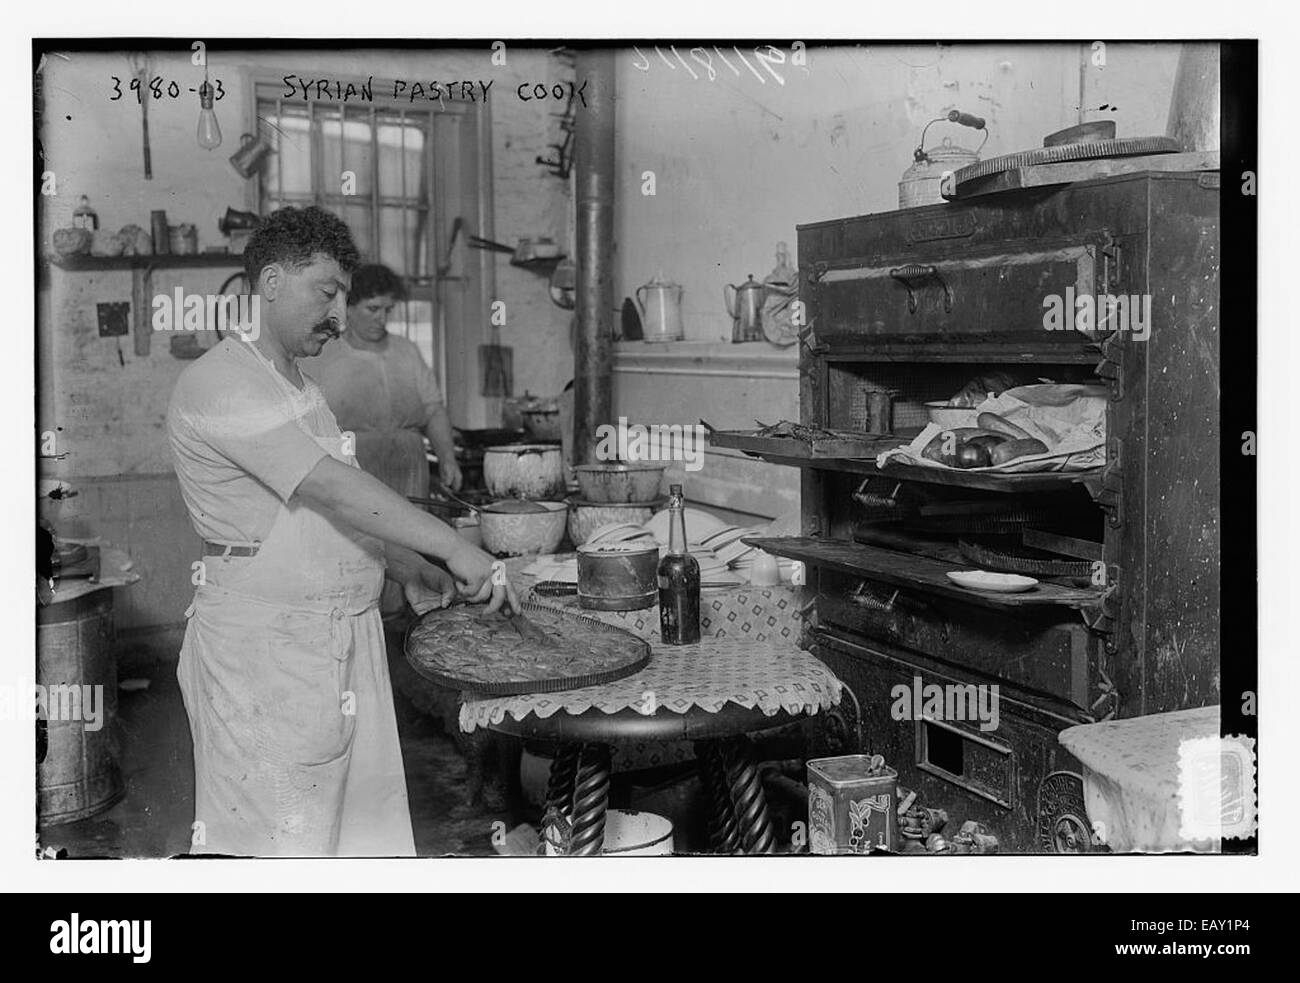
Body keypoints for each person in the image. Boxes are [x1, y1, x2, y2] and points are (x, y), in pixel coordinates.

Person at [166, 206, 518, 857]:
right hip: (270, 654)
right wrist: (451, 542)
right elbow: (326, 485)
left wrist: (409, 565)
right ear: (271, 282)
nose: (338, 314)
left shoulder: (301, 388)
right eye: (326, 293)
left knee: (356, 840)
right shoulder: (221, 382)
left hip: (337, 644)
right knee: (280, 846)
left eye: (344, 297)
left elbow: (336, 514)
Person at [304, 263, 462, 498]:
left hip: (410, 473)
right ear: (349, 306)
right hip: (351, 476)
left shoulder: (406, 350)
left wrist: (447, 457)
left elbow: (433, 410)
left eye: (388, 310)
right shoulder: (323, 355)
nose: (382, 318)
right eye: (373, 309)